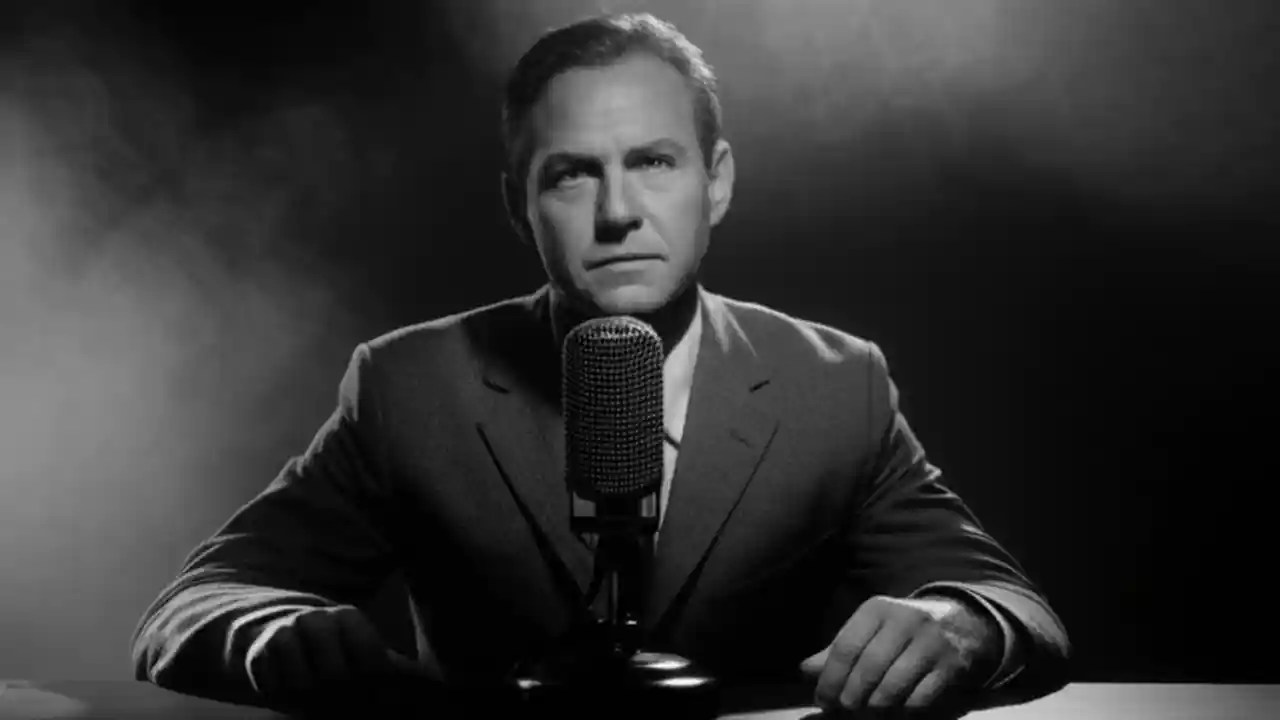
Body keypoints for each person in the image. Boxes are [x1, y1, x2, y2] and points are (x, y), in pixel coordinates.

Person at [131, 12, 1070, 716]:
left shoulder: (836, 382)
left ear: (720, 181)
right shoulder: (407, 384)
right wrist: (269, 634)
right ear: (518, 204)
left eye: (655, 162)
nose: (618, 212)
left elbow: (1011, 604)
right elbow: (194, 603)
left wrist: (961, 625)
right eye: (572, 174)